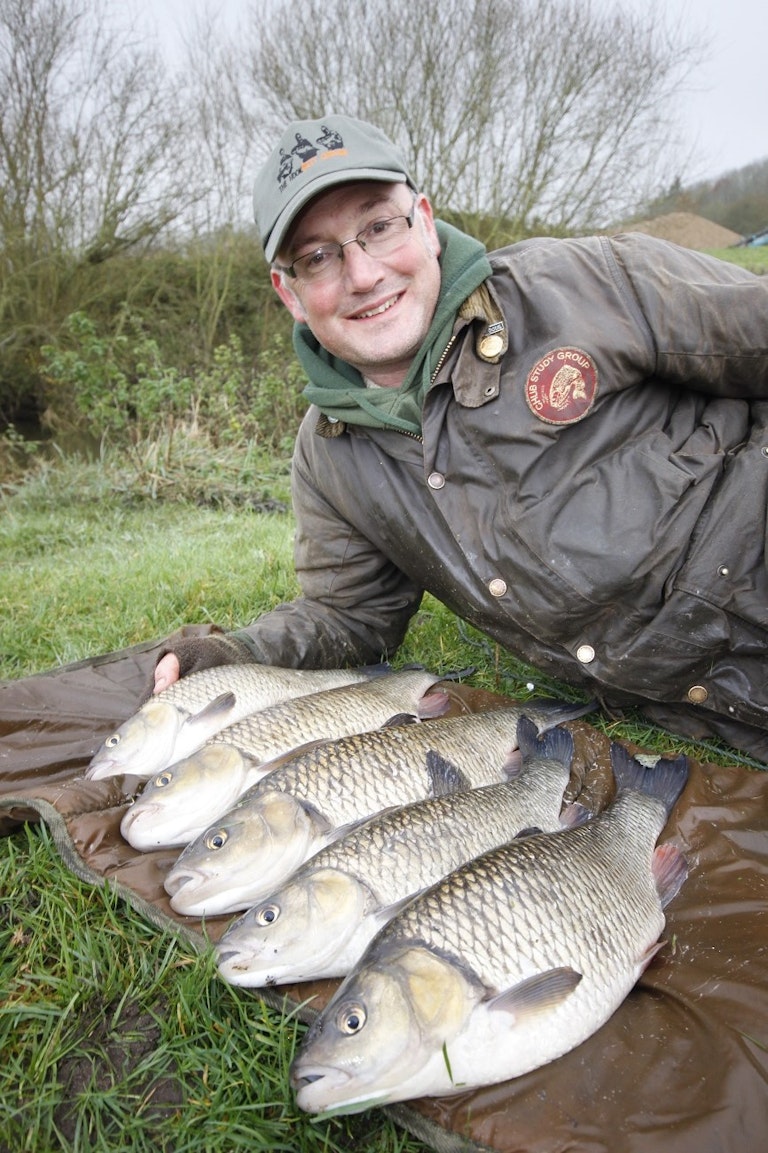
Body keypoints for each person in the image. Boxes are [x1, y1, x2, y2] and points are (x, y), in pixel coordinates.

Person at [153, 113, 768, 761]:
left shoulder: (584, 282)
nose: (362, 275)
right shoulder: (329, 452)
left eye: (378, 227)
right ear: (291, 292)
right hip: (702, 702)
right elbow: (349, 615)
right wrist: (236, 654)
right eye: (318, 257)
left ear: (424, 219)